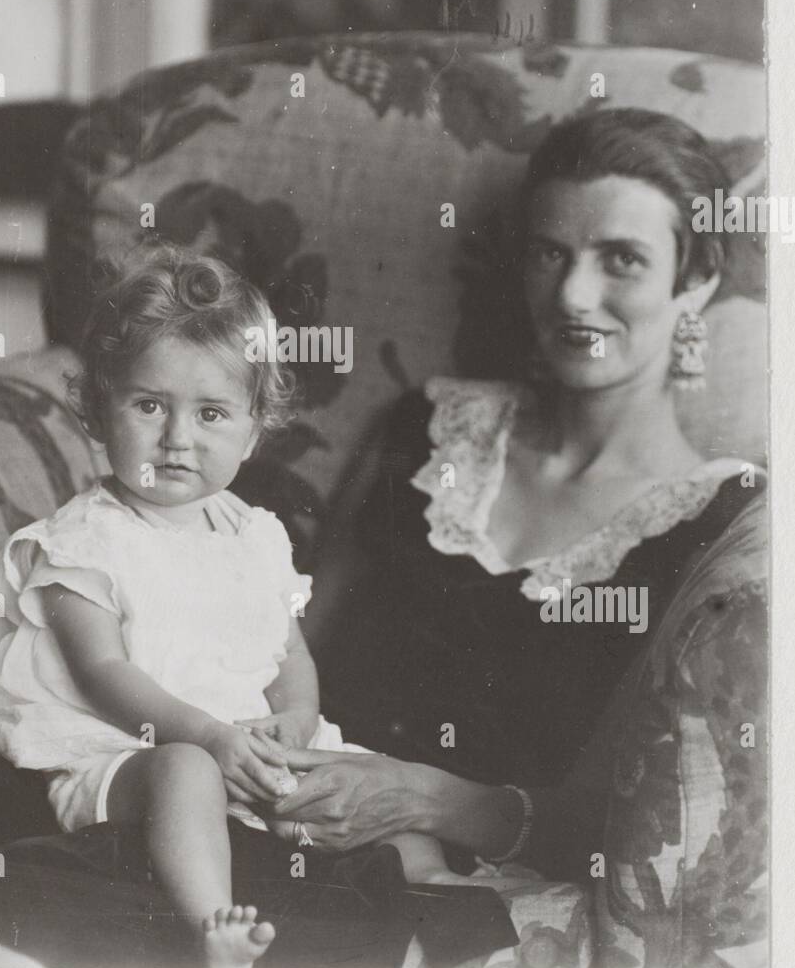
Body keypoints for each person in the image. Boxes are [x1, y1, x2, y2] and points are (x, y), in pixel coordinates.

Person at [278, 108, 764, 886]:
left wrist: (426, 802)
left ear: (695, 280)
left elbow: (645, 822)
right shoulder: (423, 430)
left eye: (621, 260)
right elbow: (281, 650)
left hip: (482, 901)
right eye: (549, 252)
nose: (573, 294)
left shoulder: (721, 527)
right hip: (281, 832)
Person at [0, 241, 464, 968]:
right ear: (97, 411)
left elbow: (287, 652)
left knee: (365, 780)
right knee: (186, 774)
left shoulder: (254, 536)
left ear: (253, 428)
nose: (177, 439)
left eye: (210, 413)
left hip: (245, 748)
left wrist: (295, 722)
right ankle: (214, 926)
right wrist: (208, 739)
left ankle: (436, 891)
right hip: (131, 758)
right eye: (148, 405)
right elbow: (103, 672)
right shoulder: (81, 541)